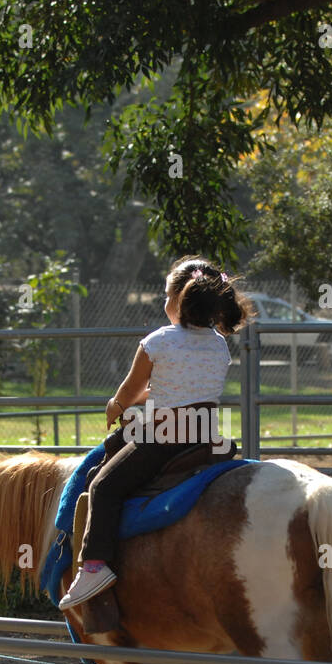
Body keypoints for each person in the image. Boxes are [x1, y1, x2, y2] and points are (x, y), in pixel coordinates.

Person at [59, 256, 250, 608]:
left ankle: (95, 565)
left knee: (104, 485)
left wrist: (115, 406)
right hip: (203, 435)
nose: (164, 303)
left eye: (166, 295)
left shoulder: (158, 341)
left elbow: (130, 393)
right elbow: (184, 387)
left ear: (179, 299)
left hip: (164, 438)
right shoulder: (219, 344)